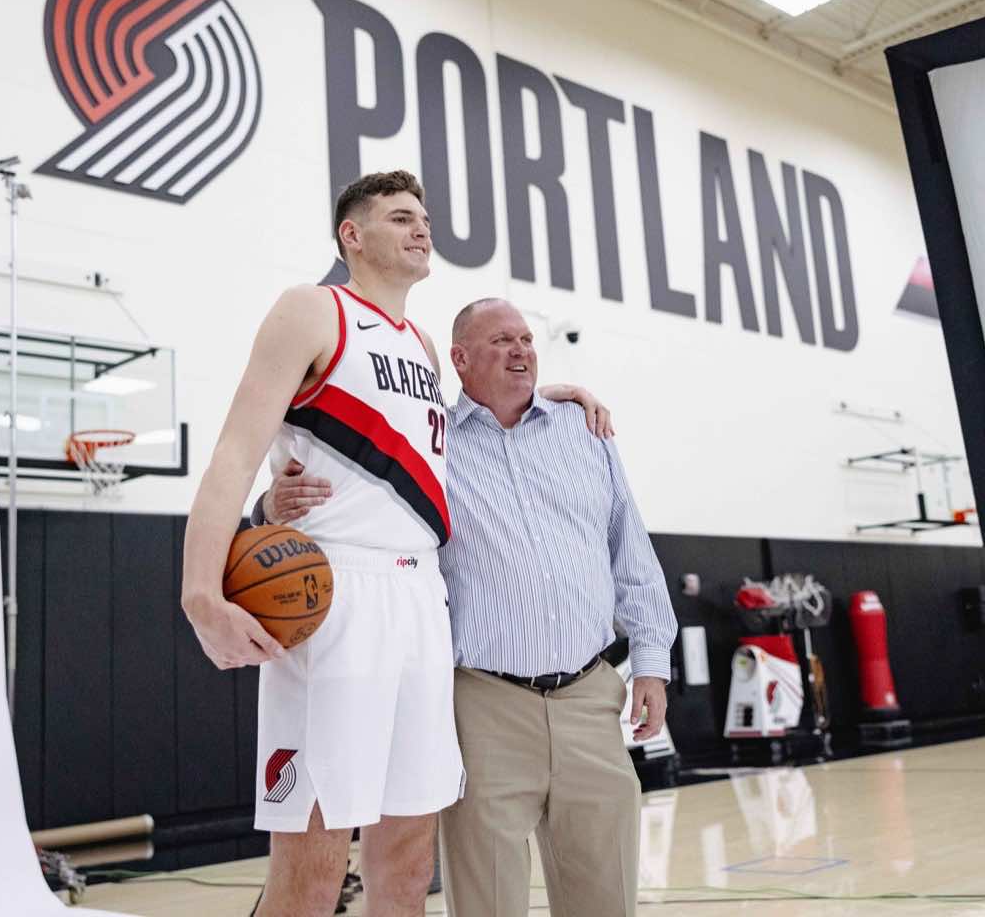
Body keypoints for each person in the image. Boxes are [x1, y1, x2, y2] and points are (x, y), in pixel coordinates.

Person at [184, 170, 608, 917]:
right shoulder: (311, 310)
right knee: (313, 872)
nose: (422, 229)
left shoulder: (421, 346)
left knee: (410, 868)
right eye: (401, 217)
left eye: (425, 219)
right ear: (352, 234)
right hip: (333, 595)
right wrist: (200, 592)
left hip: (422, 599)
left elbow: (418, 455)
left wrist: (545, 396)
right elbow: (234, 450)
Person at [264, 297, 677, 917]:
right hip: (483, 705)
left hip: (592, 697)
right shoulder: (427, 446)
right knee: (486, 903)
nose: (520, 350)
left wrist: (652, 661)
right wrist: (269, 505)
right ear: (458, 360)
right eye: (500, 342)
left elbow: (632, 554)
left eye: (527, 341)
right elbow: (338, 481)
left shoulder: (584, 431)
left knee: (606, 899)